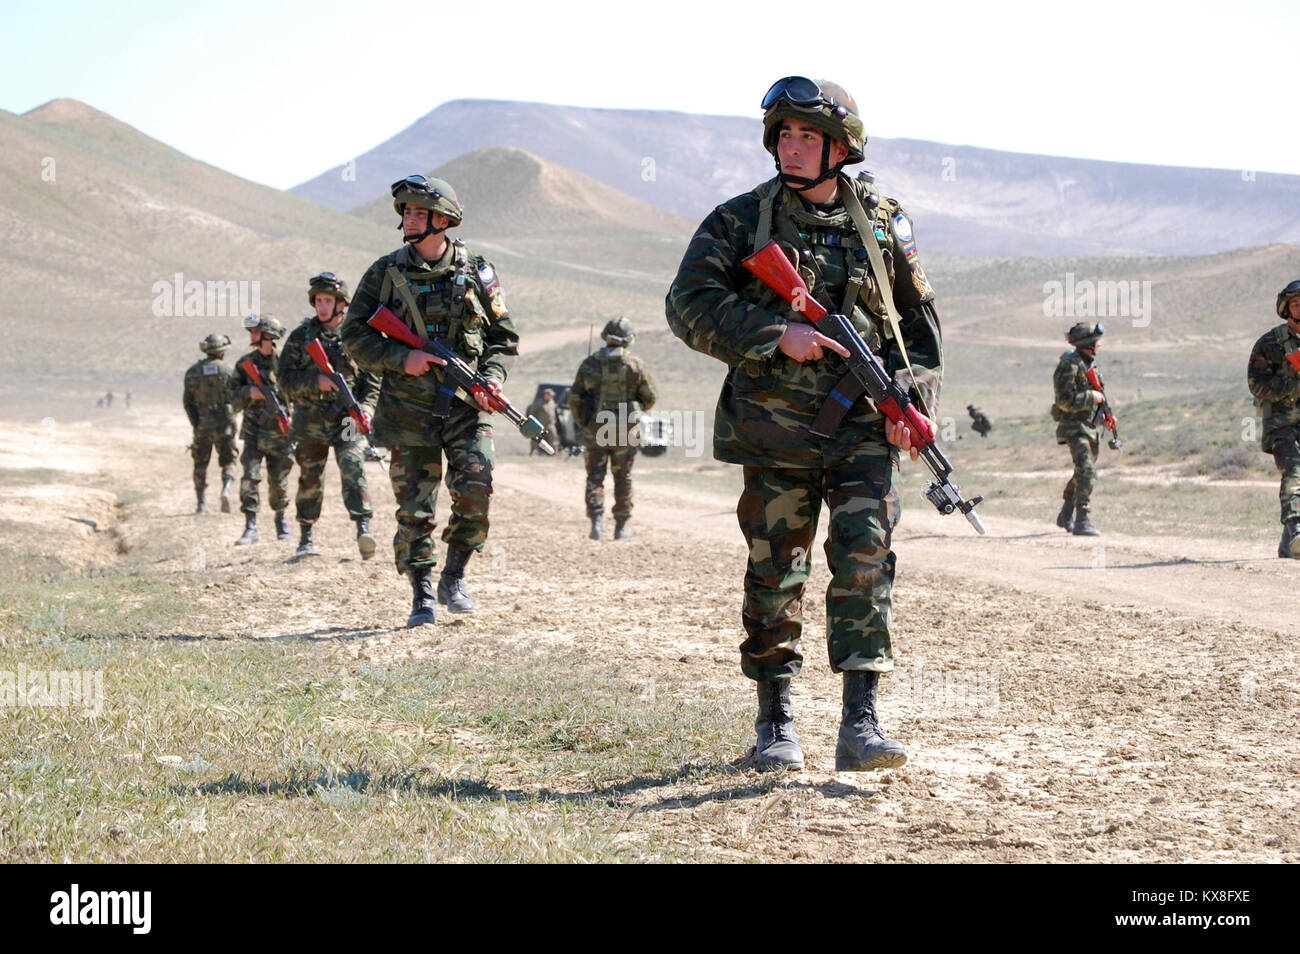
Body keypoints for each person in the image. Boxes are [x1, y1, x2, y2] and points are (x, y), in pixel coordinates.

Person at [667, 77, 942, 772]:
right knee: (775, 574)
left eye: (807, 137)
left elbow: (917, 325)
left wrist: (913, 406)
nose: (791, 149)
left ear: (840, 147)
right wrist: (771, 333)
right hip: (776, 433)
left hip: (862, 434)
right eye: (783, 135)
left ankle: (861, 724)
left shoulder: (879, 222)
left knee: (867, 563)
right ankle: (775, 725)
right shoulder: (741, 220)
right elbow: (687, 305)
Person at [341, 175, 519, 626]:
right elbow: (354, 336)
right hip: (408, 410)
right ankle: (421, 593)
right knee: (415, 510)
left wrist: (493, 377)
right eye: (405, 212)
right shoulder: (385, 272)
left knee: (477, 488)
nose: (408, 219)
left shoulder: (478, 269)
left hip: (466, 405)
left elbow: (503, 337)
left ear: (444, 220)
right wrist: (404, 358)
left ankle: (454, 576)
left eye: (418, 212)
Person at [278, 273, 380, 559]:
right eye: (318, 301)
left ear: (341, 304)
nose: (322, 306)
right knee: (310, 476)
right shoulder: (302, 338)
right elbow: (284, 380)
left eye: (328, 301)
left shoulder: (356, 336)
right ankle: (306, 537)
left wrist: (367, 410)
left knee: (352, 464)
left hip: (348, 419)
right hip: (309, 422)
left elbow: (372, 383)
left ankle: (363, 529)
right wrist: (316, 382)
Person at [568, 318, 658, 540]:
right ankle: (620, 527)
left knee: (595, 477)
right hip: (626, 432)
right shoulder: (635, 365)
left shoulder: (589, 364)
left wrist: (584, 424)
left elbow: (575, 398)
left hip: (595, 431)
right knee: (623, 477)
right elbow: (650, 398)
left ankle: (596, 523)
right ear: (628, 340)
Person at [229, 316, 295, 545]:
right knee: (250, 477)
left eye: (255, 332)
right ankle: (251, 527)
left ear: (268, 335)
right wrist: (249, 392)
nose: (251, 336)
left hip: (281, 434)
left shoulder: (286, 364)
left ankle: (281, 521)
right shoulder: (245, 364)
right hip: (254, 433)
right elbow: (232, 396)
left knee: (279, 482)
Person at [1248, 279, 1300, 558]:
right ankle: (1296, 529)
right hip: (1281, 424)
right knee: (1294, 470)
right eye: (1296, 303)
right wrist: (1293, 387)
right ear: (1285, 308)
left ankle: (1287, 542)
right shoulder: (1270, 343)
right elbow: (1256, 384)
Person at [1052, 322, 1108, 536]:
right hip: (1073, 427)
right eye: (1096, 342)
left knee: (1082, 471)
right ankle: (1082, 520)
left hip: (1089, 426)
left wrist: (1105, 415)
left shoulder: (1087, 364)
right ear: (1087, 344)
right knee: (1087, 471)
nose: (1099, 345)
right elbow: (1063, 400)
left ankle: (1066, 514)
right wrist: (1090, 397)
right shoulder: (1070, 364)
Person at [182, 333, 238, 514]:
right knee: (229, 460)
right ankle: (226, 490)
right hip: (225, 424)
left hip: (202, 425)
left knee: (200, 463)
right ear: (222, 352)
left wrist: (197, 423)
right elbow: (238, 399)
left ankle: (201, 503)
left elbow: (188, 403)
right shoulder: (229, 371)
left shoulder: (192, 372)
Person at [525, 388, 560, 457]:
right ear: (546, 395)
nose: (551, 397)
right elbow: (532, 413)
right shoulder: (539, 403)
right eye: (550, 395)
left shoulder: (552, 403)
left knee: (554, 438)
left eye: (552, 395)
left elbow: (555, 413)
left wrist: (555, 420)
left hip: (550, 425)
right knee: (536, 439)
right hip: (540, 425)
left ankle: (555, 453)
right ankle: (532, 452)